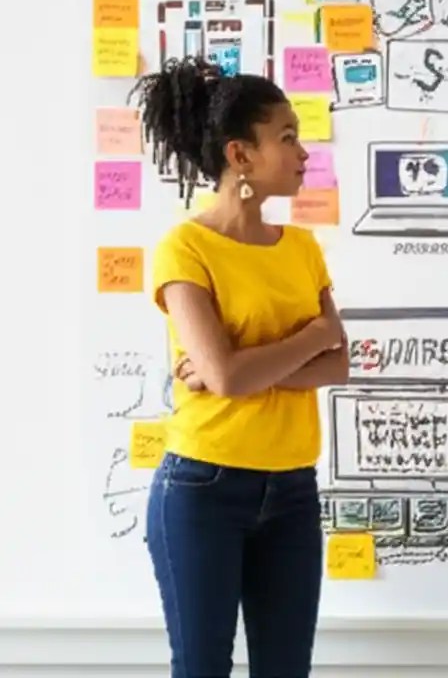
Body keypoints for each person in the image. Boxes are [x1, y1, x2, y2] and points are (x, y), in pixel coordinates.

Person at [130, 56, 350, 677]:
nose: (304, 152)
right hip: (202, 489)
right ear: (240, 155)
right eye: (287, 137)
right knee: (201, 668)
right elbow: (243, 372)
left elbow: (338, 364)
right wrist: (307, 335)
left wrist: (241, 369)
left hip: (292, 490)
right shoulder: (185, 248)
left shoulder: (303, 249)